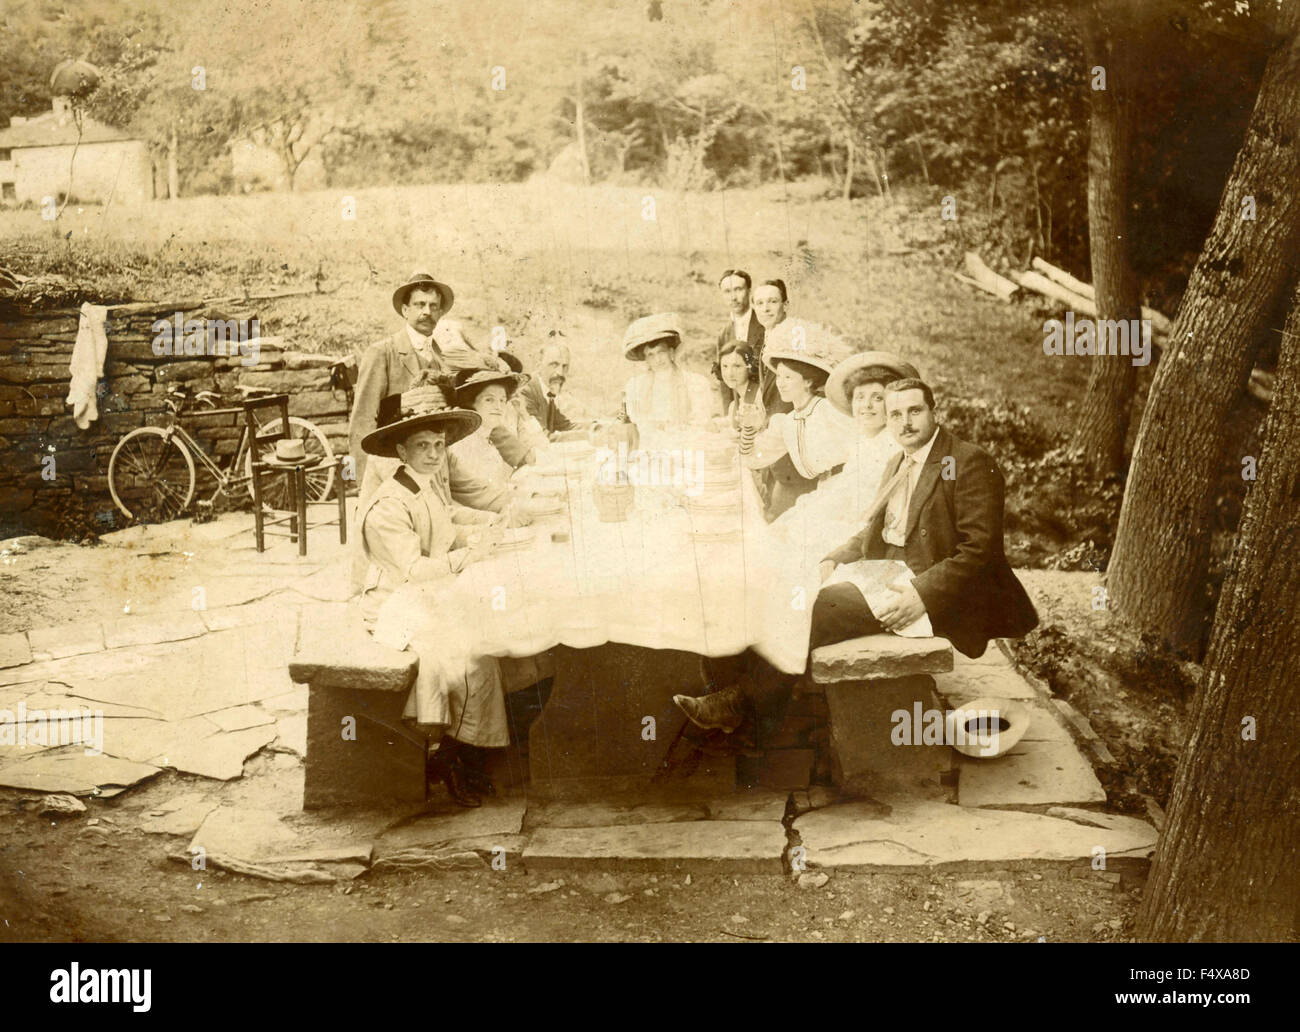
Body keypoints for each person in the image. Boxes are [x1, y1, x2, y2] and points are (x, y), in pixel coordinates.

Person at [673, 376, 1039, 737]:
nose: (905, 422)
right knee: (777, 592)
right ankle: (729, 699)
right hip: (885, 574)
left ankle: (742, 708)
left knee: (812, 611)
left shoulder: (967, 461)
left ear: (934, 411)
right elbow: (873, 531)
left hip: (935, 591)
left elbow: (981, 550)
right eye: (895, 415)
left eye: (914, 411)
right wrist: (832, 559)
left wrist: (922, 594)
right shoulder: (899, 461)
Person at [356, 377, 539, 807]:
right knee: (472, 657)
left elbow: (446, 523)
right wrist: (467, 558)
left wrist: (494, 525)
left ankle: (473, 754)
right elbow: (414, 570)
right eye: (423, 446)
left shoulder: (420, 485)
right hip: (395, 605)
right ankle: (454, 758)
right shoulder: (388, 504)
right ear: (401, 452)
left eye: (439, 445)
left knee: (507, 639)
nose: (434, 454)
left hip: (429, 595)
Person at [348, 270, 517, 515]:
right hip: (391, 469)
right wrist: (368, 488)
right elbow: (362, 423)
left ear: (440, 313)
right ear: (405, 310)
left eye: (433, 306)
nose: (427, 311)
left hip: (432, 464)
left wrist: (511, 502)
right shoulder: (382, 353)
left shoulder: (440, 357)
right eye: (419, 304)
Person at [770, 351, 917, 565]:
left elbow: (873, 513)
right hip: (846, 522)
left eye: (878, 398)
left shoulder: (896, 447)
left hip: (870, 538)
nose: (866, 406)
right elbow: (841, 490)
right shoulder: (862, 440)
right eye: (860, 397)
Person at [740, 339, 856, 520]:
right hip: (824, 489)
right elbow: (752, 459)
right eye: (778, 376)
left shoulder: (828, 410)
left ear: (807, 382)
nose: (780, 384)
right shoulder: (786, 423)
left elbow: (866, 444)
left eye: (788, 377)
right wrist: (749, 427)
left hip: (850, 490)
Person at [621, 313, 719, 445]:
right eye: (651, 355)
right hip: (650, 448)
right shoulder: (635, 386)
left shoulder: (695, 383)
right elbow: (636, 424)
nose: (657, 359)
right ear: (645, 359)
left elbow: (701, 422)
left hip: (686, 446)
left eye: (661, 352)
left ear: (671, 352)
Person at [450, 366, 536, 490]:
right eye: (489, 400)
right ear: (470, 403)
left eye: (502, 400)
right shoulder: (465, 445)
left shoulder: (486, 438)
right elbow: (478, 495)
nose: (498, 407)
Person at [715, 270, 764, 405]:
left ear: (749, 291)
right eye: (727, 291)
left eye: (738, 289)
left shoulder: (764, 324)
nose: (733, 297)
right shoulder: (723, 334)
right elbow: (724, 382)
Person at [519, 337, 579, 437]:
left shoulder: (547, 393)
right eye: (554, 365)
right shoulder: (526, 392)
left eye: (564, 366)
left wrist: (598, 427)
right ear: (538, 366)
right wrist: (590, 435)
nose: (560, 372)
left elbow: (565, 426)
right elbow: (541, 436)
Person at [712, 340, 762, 428]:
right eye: (725, 366)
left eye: (737, 366)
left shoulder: (759, 396)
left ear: (749, 367)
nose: (729, 374)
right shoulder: (735, 404)